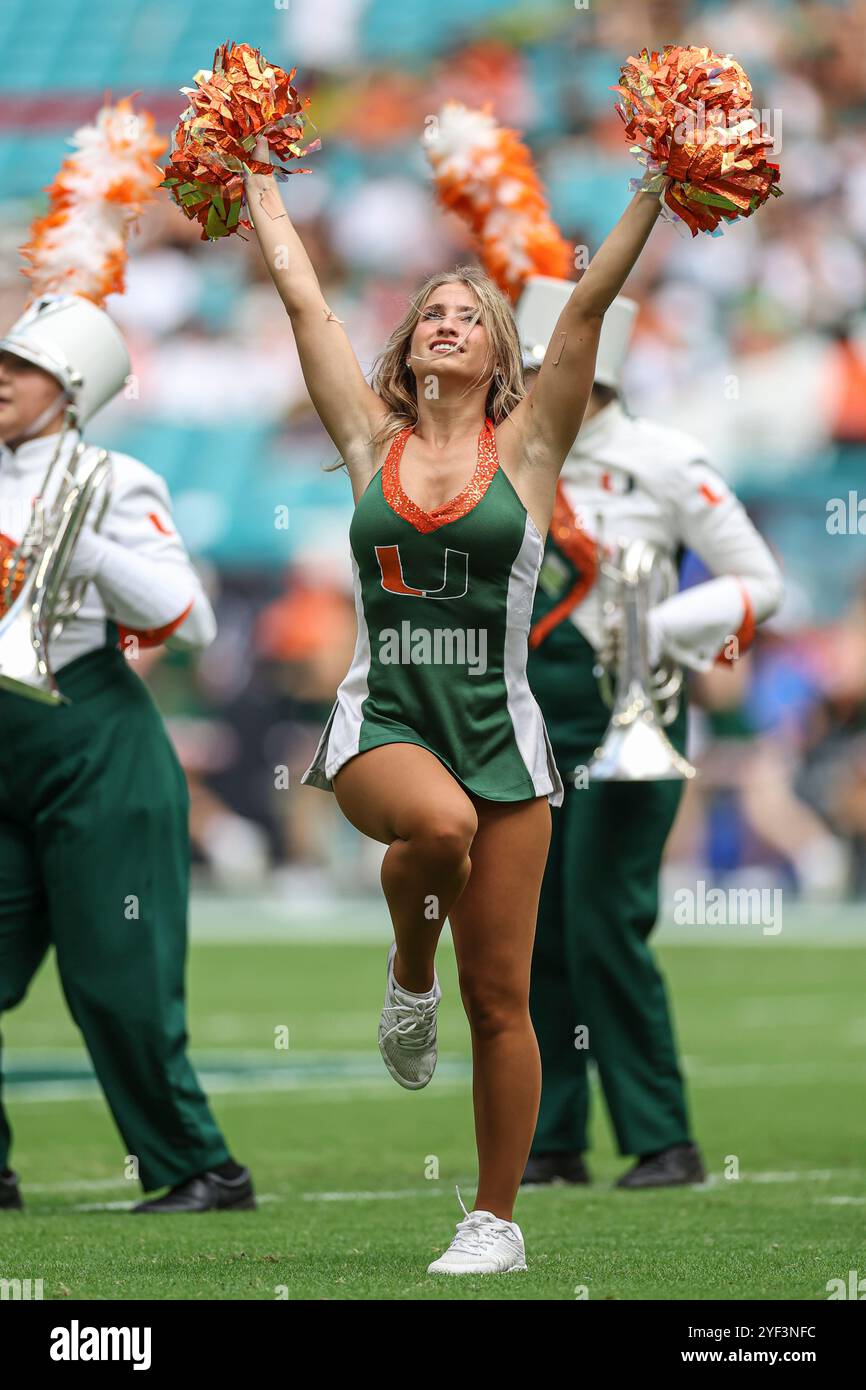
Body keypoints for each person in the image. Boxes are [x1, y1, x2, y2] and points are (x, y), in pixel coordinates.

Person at [244, 138, 667, 1273]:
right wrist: (253, 180)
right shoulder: (365, 440)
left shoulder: (527, 448)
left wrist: (655, 187)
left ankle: (494, 1221)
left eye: (467, 315)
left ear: (495, 351)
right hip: (384, 716)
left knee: (504, 1002)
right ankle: (404, 969)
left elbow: (584, 311)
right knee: (437, 826)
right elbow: (301, 302)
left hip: (504, 732)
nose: (443, 322)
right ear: (407, 341)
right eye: (429, 310)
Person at [516, 279, 784, 1189]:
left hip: (629, 712)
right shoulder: (505, 457)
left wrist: (658, 628)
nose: (526, 381)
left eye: (545, 363)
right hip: (525, 716)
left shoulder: (663, 460)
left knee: (603, 920)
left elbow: (760, 581)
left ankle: (662, 1138)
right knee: (533, 927)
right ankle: (549, 1140)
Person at [0, 293, 254, 1214]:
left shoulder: (113, 478)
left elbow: (195, 623)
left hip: (92, 740)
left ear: (68, 388)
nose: (1, 376)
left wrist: (92, 552)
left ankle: (201, 1168)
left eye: (21, 367)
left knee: (115, 978)